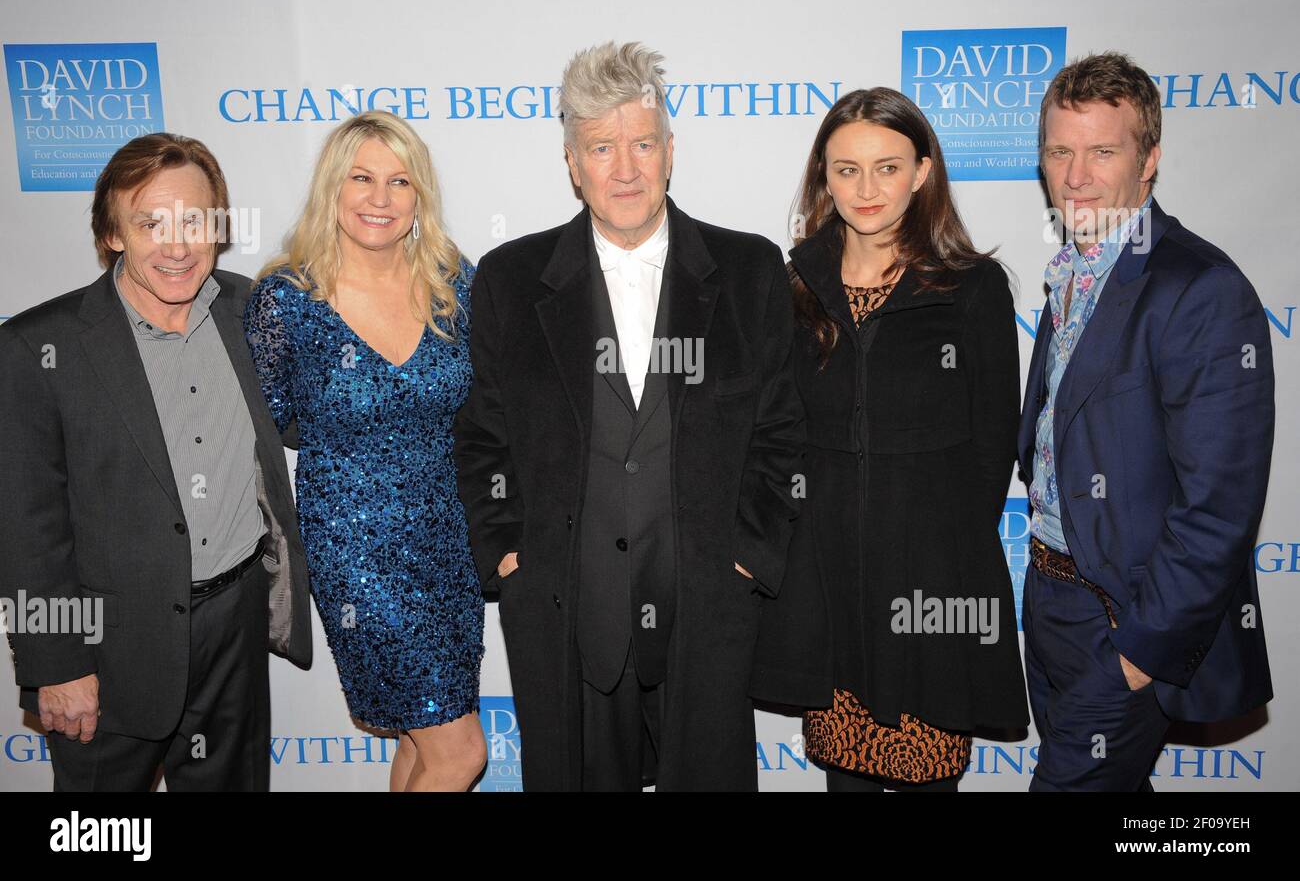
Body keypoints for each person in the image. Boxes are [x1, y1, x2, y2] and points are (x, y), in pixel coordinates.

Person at [454, 41, 804, 791]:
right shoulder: (511, 279)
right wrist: (508, 552)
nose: (624, 169)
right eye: (601, 148)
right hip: (567, 611)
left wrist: (750, 554)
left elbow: (781, 431)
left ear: (670, 152)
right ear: (572, 164)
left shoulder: (749, 272)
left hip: (706, 610)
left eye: (642, 144)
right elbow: (483, 435)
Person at [0, 133, 312, 790]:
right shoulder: (37, 348)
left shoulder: (251, 313)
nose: (177, 246)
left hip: (234, 626)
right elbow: (26, 530)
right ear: (112, 233)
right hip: (107, 648)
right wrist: (56, 664)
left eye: (194, 220)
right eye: (150, 224)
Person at [750, 88, 1028, 791]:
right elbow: (776, 437)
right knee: (845, 778)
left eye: (887, 167)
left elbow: (992, 451)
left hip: (931, 592)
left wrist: (938, 553)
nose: (867, 189)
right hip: (828, 587)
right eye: (847, 170)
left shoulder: (972, 288)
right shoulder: (795, 288)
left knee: (927, 775)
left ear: (922, 172)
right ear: (824, 176)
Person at [1018, 51, 1274, 791]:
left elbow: (1219, 507)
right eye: (1059, 152)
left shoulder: (1200, 288)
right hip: (1053, 600)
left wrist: (1140, 650)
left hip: (1126, 618)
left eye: (1103, 152)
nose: (1076, 176)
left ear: (1149, 159)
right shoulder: (1072, 273)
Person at [245, 111, 486, 791]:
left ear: (419, 195)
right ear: (333, 186)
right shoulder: (286, 300)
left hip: (449, 542)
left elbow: (484, 409)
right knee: (461, 752)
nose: (380, 198)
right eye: (361, 178)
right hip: (356, 553)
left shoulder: (453, 284)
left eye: (399, 181)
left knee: (421, 737)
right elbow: (266, 428)